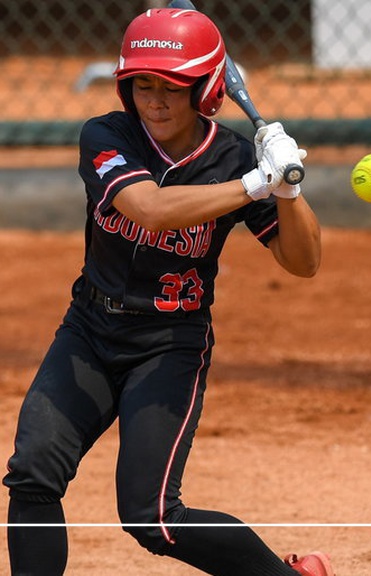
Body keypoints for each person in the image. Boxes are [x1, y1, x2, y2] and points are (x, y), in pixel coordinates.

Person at [4, 9, 333, 576]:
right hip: (89, 328)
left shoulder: (232, 158)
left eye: (172, 89)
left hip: (168, 343)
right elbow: (149, 210)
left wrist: (287, 188)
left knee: (152, 517)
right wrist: (255, 183)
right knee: (33, 473)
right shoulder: (108, 134)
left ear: (206, 92)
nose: (154, 101)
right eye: (144, 85)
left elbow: (302, 261)